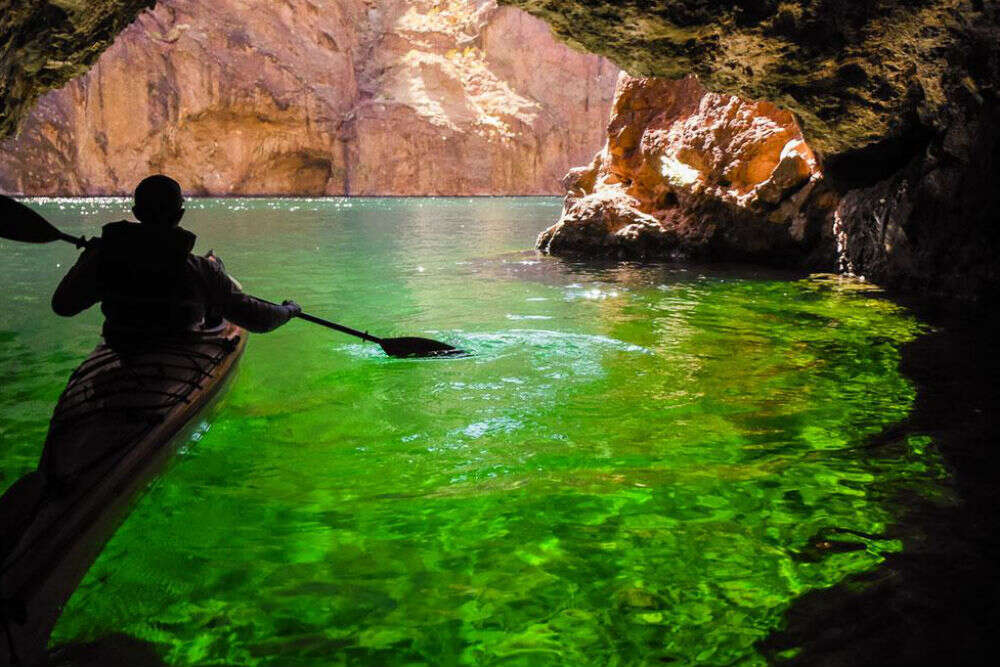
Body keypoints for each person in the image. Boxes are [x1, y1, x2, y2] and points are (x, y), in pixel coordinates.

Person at [51, 174, 300, 345]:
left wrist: (90, 256)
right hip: (180, 349)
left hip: (123, 347)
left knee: (215, 267)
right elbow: (258, 319)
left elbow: (63, 306)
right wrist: (289, 310)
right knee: (216, 270)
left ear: (136, 213)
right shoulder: (198, 270)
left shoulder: (104, 261)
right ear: (179, 214)